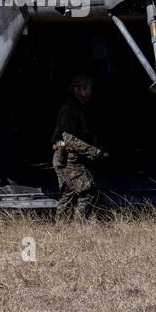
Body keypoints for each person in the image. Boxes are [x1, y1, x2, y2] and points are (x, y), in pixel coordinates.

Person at [51, 73, 107, 220]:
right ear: (76, 89)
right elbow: (69, 138)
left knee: (68, 194)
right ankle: (79, 226)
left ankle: (63, 229)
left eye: (90, 88)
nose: (89, 91)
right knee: (87, 190)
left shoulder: (79, 107)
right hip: (67, 159)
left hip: (71, 157)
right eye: (85, 88)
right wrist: (93, 151)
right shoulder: (69, 109)